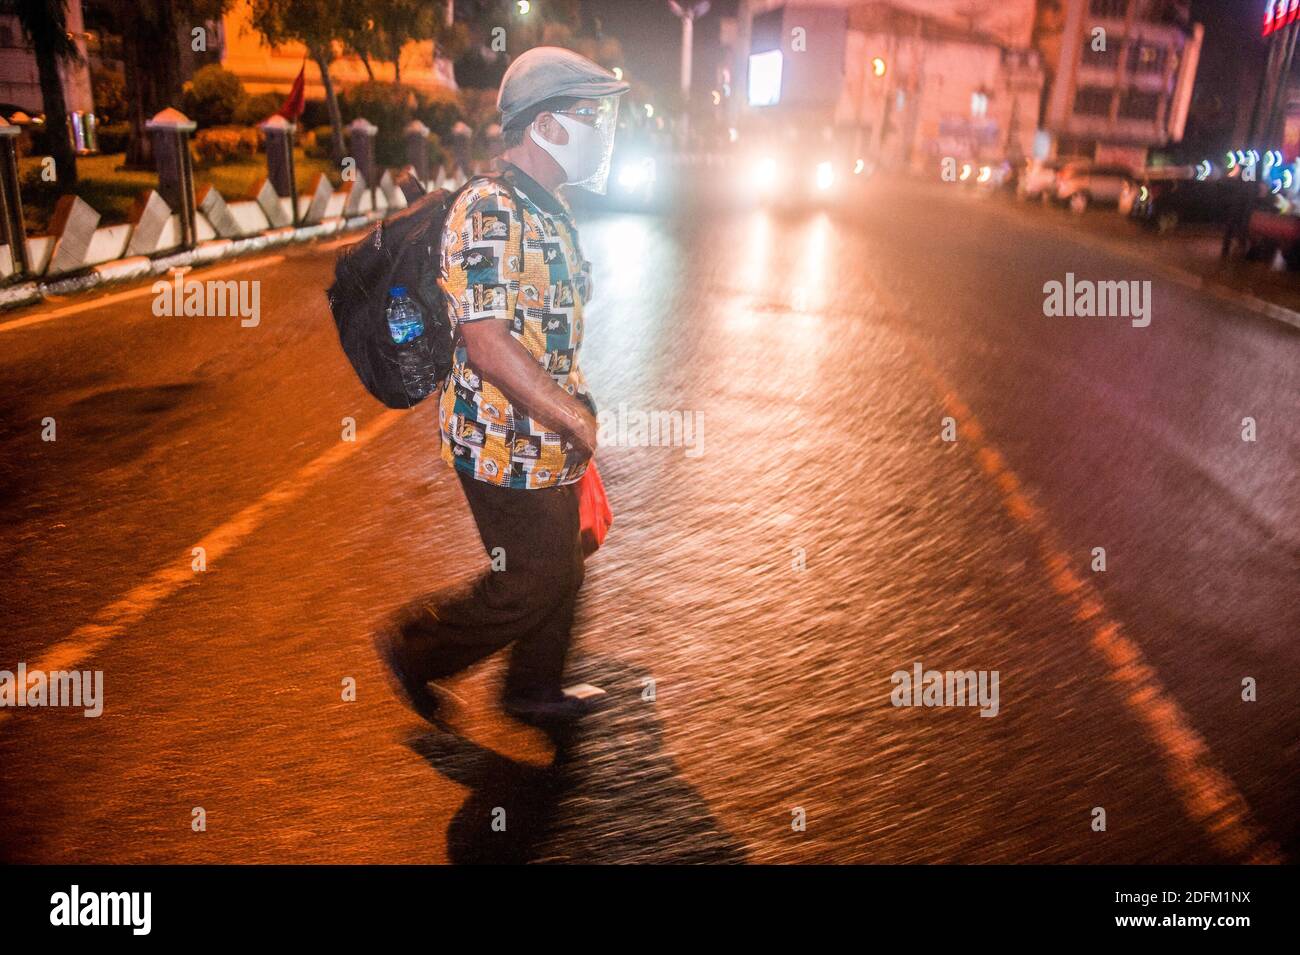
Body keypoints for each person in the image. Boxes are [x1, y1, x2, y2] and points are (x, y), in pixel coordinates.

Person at [376, 47, 629, 726]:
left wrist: (573, 410)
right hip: (499, 439)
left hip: (546, 432)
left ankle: (533, 688)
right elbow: (487, 342)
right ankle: (416, 648)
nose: (602, 130)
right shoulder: (488, 209)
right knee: (531, 577)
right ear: (546, 126)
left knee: (564, 558)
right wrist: (569, 415)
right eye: (589, 114)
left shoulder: (546, 207)